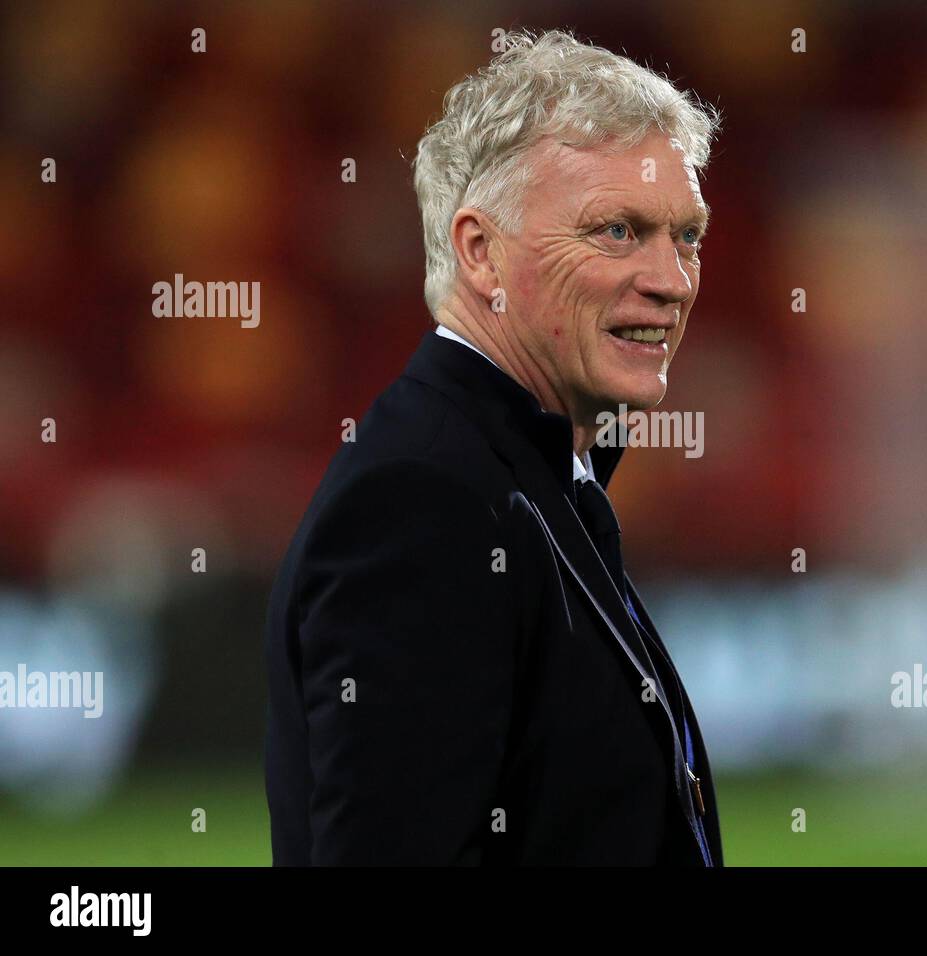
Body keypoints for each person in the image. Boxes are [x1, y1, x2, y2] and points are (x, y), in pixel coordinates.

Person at [263, 28, 724, 865]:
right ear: (481, 252)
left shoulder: (533, 472)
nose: (672, 279)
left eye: (685, 235)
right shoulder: (423, 503)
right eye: (618, 231)